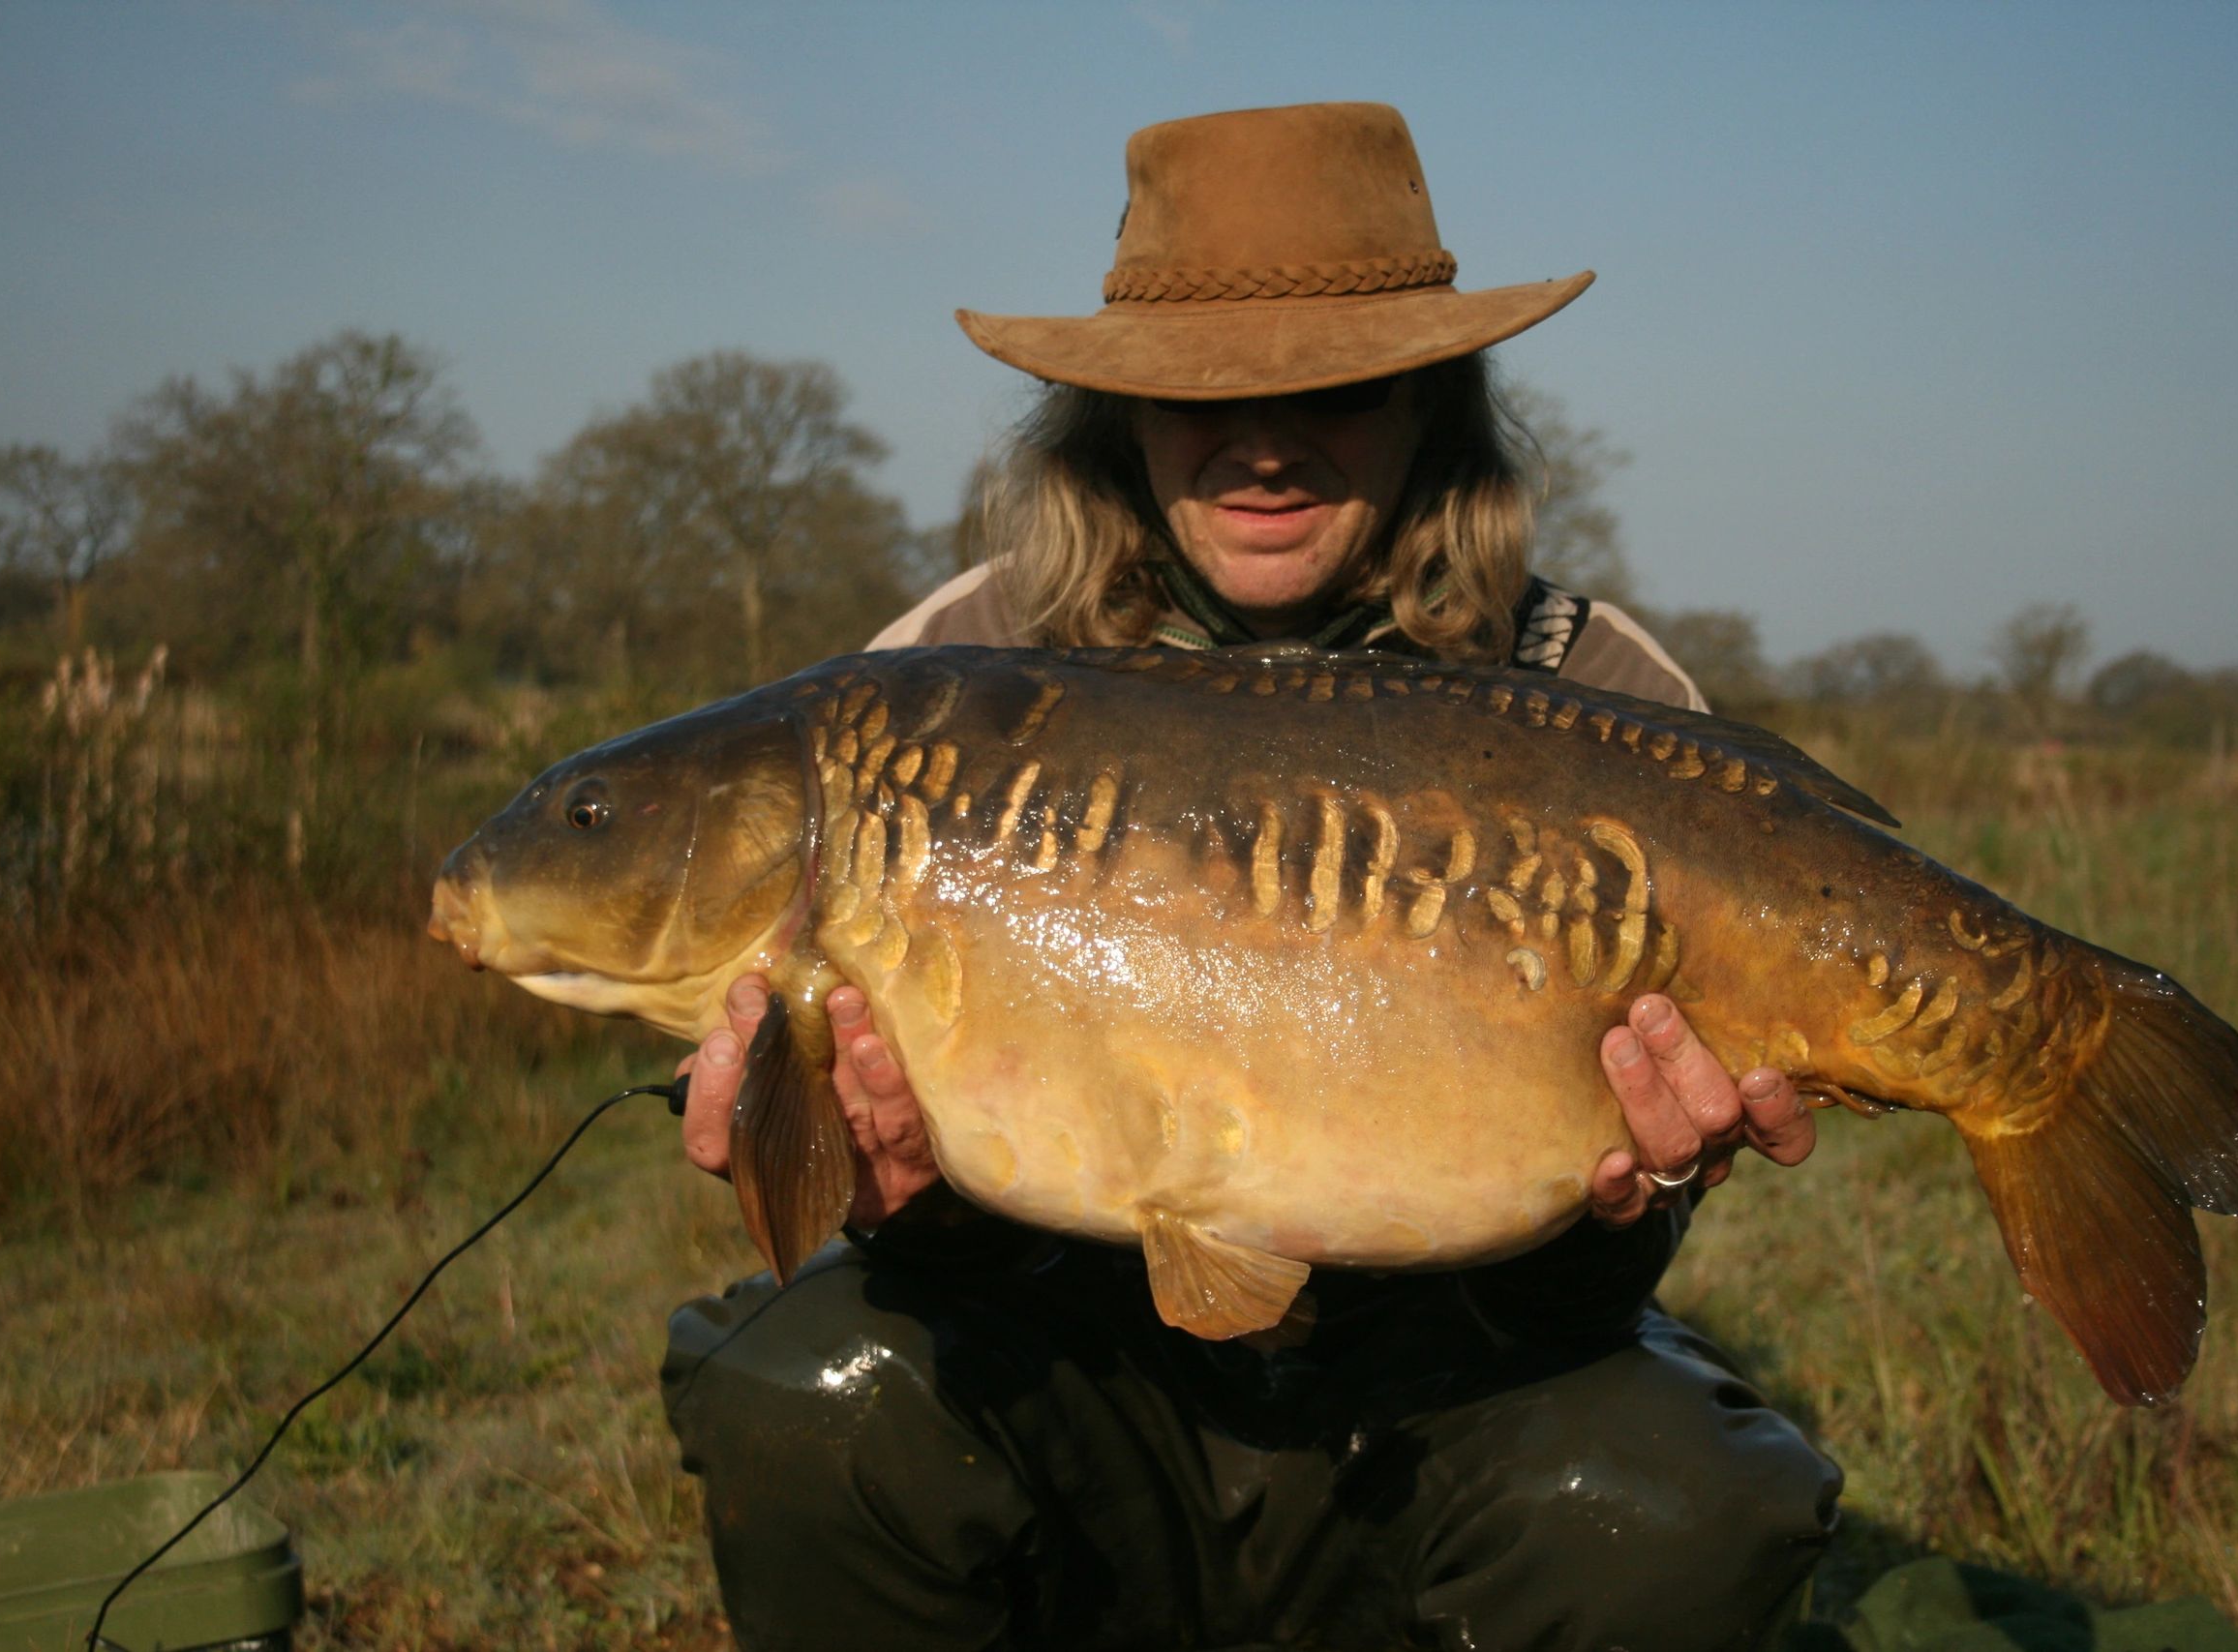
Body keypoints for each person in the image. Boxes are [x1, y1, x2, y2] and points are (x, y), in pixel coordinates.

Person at [660, 103, 1840, 1651]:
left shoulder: (1601, 697)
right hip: (1082, 1382)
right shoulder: (942, 674)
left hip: (1447, 1393)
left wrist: (1637, 1201)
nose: (1265, 444)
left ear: (1432, 402)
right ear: (1117, 414)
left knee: (1687, 1504)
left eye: (1335, 390)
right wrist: (907, 1201)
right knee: (802, 1388)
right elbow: (899, 1202)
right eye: (1200, 395)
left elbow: (1588, 1291)